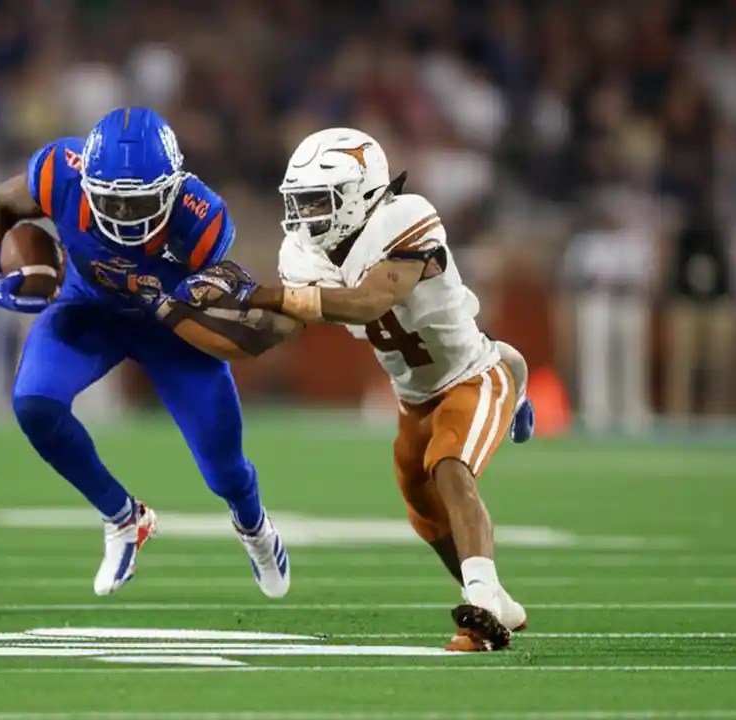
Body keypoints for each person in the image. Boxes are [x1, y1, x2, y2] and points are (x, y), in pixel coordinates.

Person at [213, 127, 535, 650]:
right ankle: (497, 599)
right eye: (301, 201)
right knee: (423, 508)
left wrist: (263, 294)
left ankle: (479, 604)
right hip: (413, 397)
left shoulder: (404, 217)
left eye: (319, 200)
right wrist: (211, 317)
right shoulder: (302, 252)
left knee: (450, 466)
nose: (306, 215)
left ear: (361, 192)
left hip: (471, 376)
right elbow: (282, 329)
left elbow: (368, 302)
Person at [0, 107, 290, 598]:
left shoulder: (203, 220)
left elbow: (210, 314)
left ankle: (255, 528)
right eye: (113, 203)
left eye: (138, 203)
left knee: (224, 469)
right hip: (89, 309)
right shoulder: (60, 171)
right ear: (88, 184)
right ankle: (123, 518)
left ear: (173, 187)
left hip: (171, 329)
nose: (124, 216)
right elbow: (0, 203)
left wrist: (215, 326)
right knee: (34, 403)